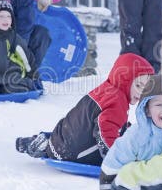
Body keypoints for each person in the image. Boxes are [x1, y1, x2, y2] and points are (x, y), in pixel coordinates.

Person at [15, 53, 154, 166]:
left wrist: (124, 128)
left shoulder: (107, 89)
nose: (141, 93)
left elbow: (101, 120)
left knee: (119, 133)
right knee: (120, 145)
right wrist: (117, 159)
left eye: (145, 88)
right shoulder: (118, 100)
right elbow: (105, 131)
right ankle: (50, 145)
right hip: (72, 154)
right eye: (138, 85)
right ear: (124, 80)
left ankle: (47, 142)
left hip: (63, 137)